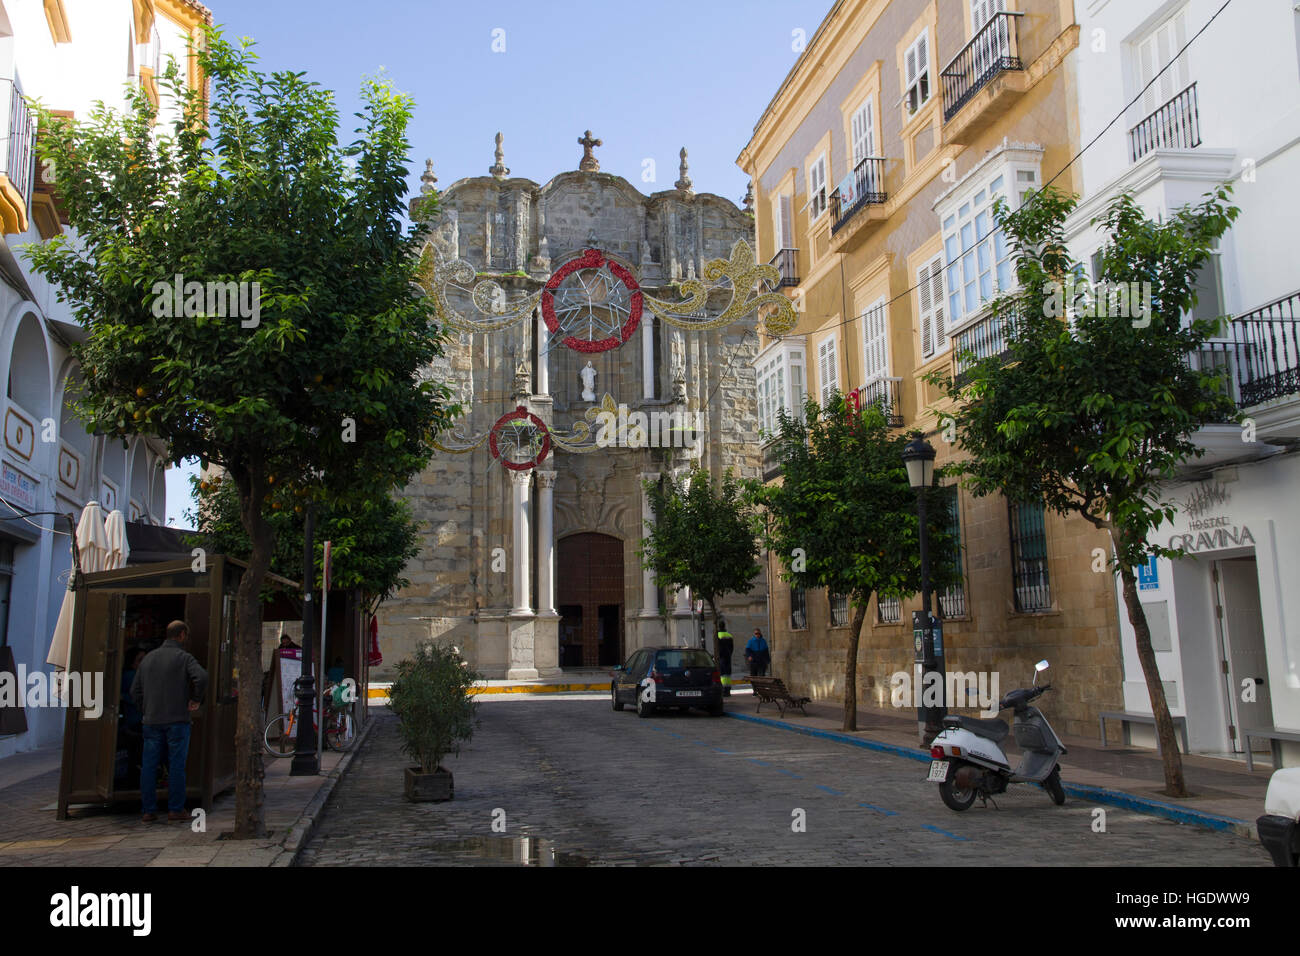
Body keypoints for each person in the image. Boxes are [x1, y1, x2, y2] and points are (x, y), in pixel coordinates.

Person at [131, 620, 208, 823]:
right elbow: (201, 677)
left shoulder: (148, 659)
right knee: (176, 765)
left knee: (149, 765)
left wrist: (145, 709)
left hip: (152, 720)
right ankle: (175, 809)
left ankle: (148, 810)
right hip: (177, 719)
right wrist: (196, 700)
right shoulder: (183, 658)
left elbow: (134, 691)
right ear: (182, 635)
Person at [714, 619, 734, 696]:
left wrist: (717, 656)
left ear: (719, 626)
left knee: (722, 674)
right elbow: (732, 648)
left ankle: (723, 690)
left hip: (721, 657)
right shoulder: (729, 635)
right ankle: (728, 690)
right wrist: (729, 654)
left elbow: (717, 648)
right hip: (728, 657)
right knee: (728, 674)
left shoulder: (717, 635)